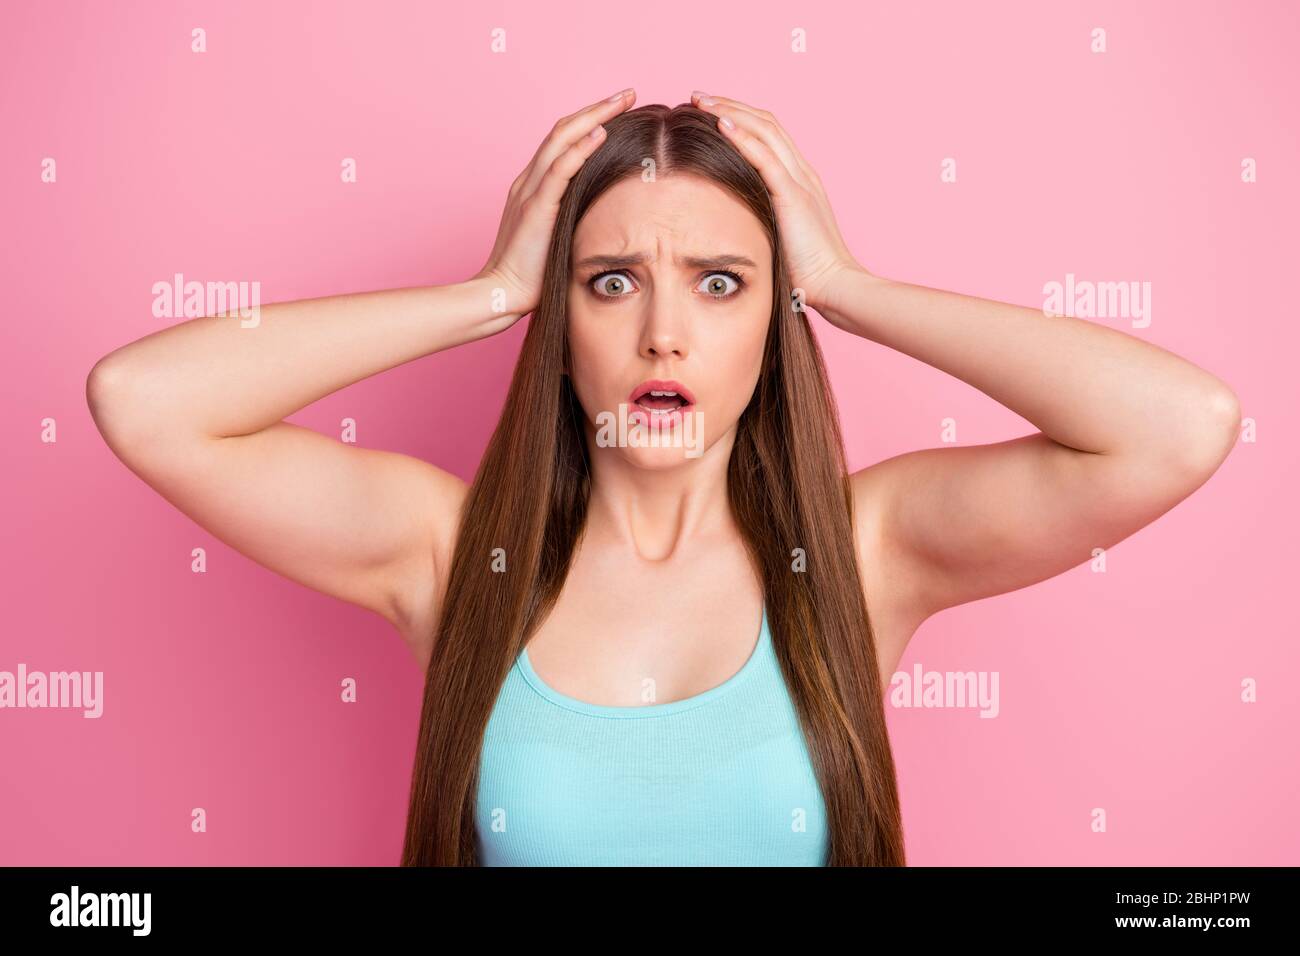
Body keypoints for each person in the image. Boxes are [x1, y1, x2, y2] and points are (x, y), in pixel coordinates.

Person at [86, 89, 1241, 866]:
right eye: (610, 281)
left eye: (722, 282)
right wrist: (490, 293)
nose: (664, 335)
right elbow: (145, 400)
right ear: (563, 320)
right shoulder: (450, 554)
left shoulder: (865, 549)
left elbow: (1179, 426)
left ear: (772, 321)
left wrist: (841, 281)